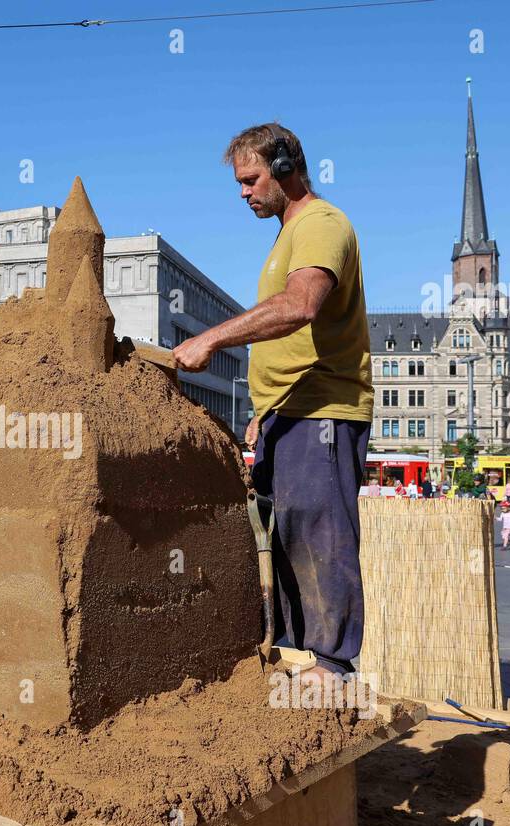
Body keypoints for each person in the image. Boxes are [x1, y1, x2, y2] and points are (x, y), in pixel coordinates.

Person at [171, 123, 372, 681]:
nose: (243, 192)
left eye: (251, 179)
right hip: (290, 411)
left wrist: (210, 337)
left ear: (285, 168)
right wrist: (265, 412)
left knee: (320, 527)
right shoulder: (286, 236)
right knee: (288, 534)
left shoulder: (321, 224)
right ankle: (306, 655)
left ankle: (333, 664)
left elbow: (301, 306)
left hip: (324, 408)